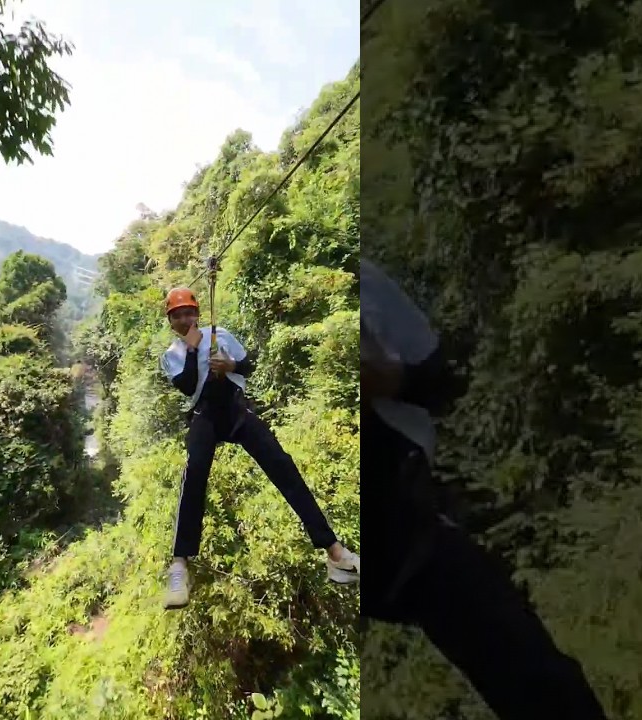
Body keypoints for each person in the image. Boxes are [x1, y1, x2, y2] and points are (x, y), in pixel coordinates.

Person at [360, 258, 610, 719]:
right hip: (372, 559)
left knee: (540, 683)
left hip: (413, 542)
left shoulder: (365, 284)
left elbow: (444, 378)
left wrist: (386, 379)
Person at [159, 287, 360, 609]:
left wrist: (230, 366)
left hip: (235, 409)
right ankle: (179, 564)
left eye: (188, 313)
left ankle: (335, 553)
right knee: (194, 473)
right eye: (177, 315)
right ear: (170, 320)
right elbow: (184, 386)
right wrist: (194, 350)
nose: (184, 319)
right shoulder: (172, 353)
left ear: (197, 313)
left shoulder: (219, 333)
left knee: (283, 466)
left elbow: (248, 364)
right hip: (205, 414)